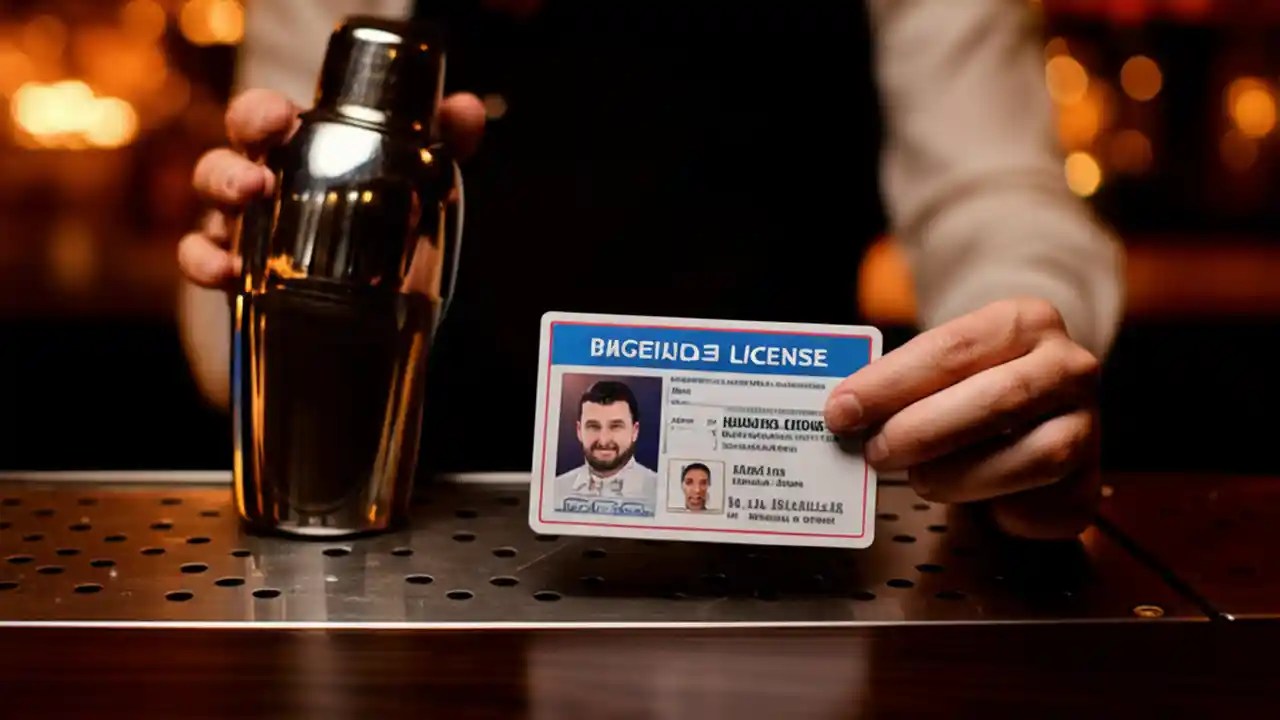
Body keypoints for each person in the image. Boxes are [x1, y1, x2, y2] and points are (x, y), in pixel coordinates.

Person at [177, 0, 1124, 540]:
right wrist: (273, 267)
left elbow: (993, 196)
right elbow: (230, 323)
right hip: (423, 520)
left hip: (778, 522)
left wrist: (1010, 366)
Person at [553, 381, 659, 514]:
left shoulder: (661, 492)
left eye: (615, 426)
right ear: (579, 431)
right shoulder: (553, 491)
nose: (604, 441)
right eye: (593, 426)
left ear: (634, 431)